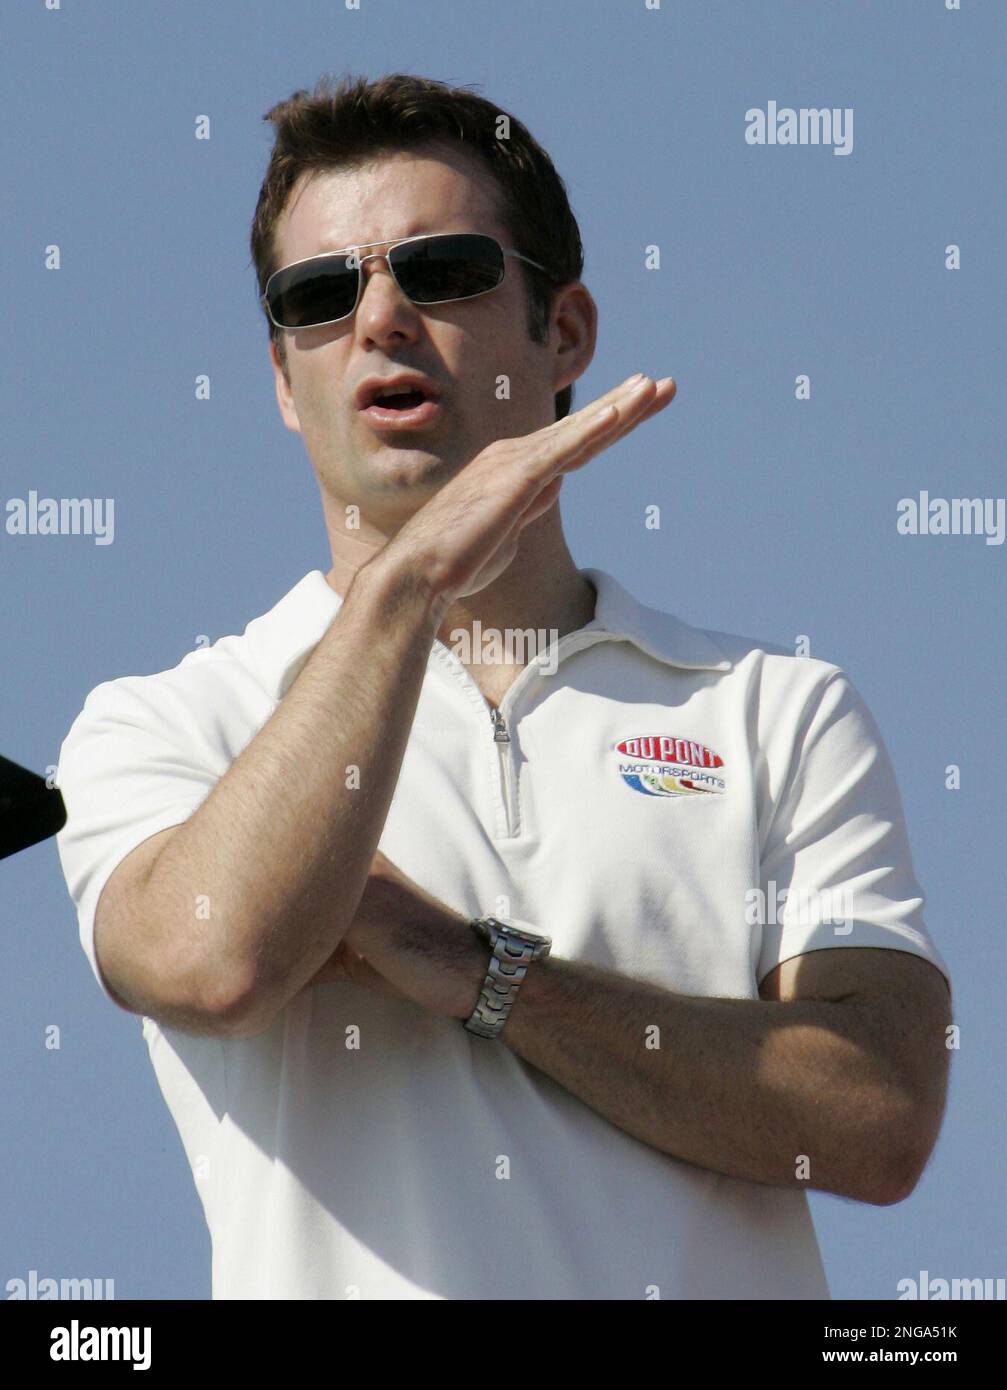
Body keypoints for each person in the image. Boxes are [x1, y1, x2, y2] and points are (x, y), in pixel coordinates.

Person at [55, 72, 953, 1301]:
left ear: (564, 331)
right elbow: (212, 962)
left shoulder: (773, 708)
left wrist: (470, 965)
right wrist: (407, 580)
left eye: (441, 270)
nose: (377, 321)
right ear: (280, 378)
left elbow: (876, 1115)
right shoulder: (165, 720)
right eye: (320, 296)